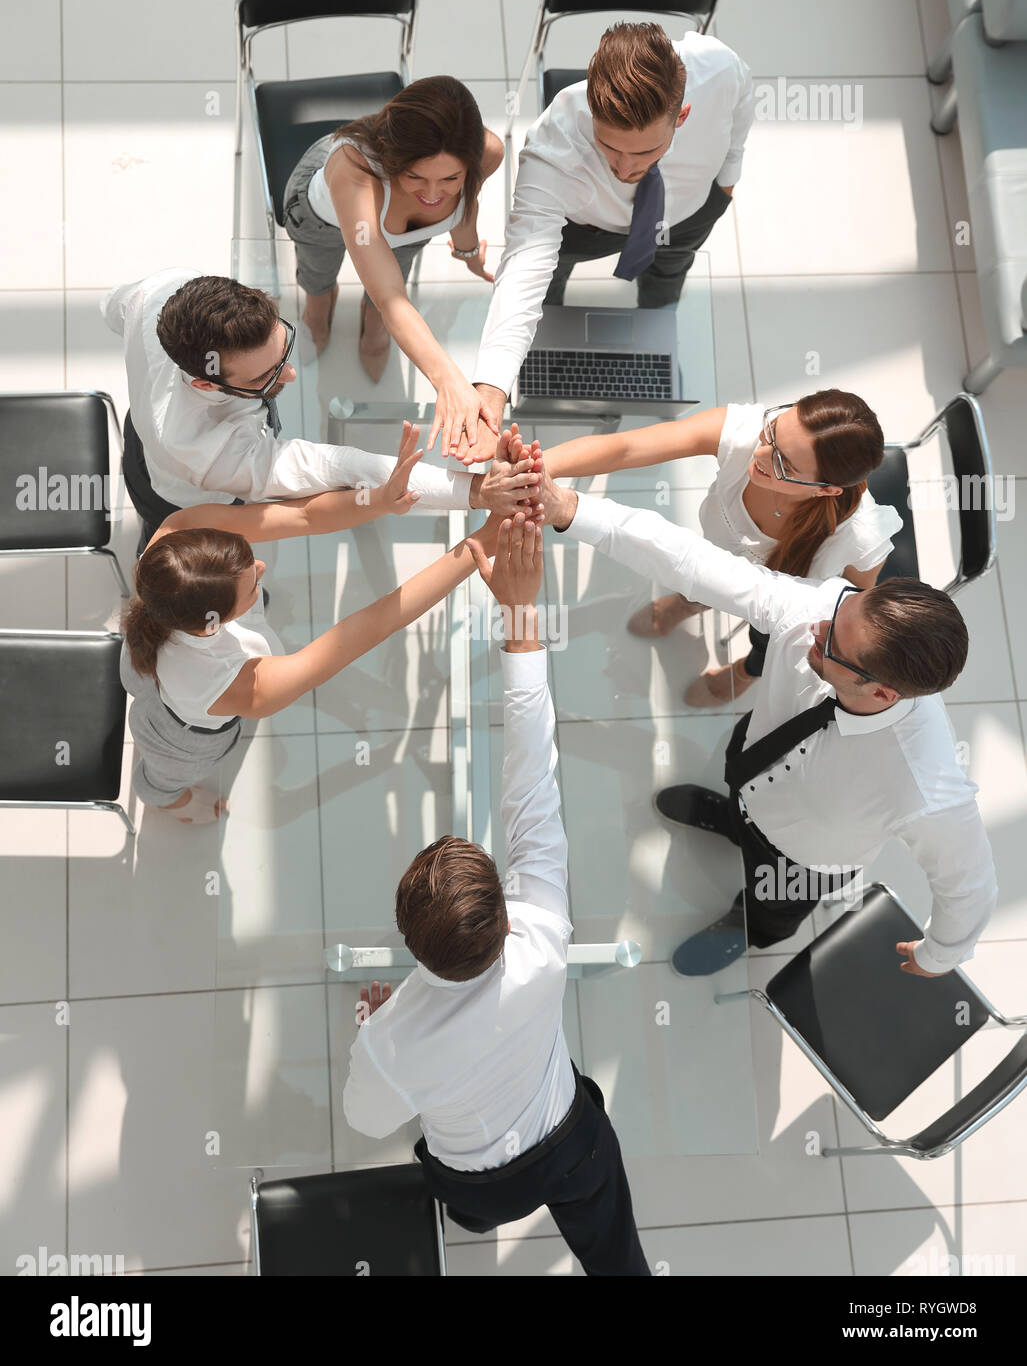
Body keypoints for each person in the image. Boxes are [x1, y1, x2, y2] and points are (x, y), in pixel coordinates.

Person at [533, 453, 998, 980]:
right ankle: (732, 819)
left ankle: (745, 926)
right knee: (741, 790)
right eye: (842, 609)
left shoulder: (926, 787)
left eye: (832, 642)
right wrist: (570, 508)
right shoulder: (825, 607)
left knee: (772, 905)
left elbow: (972, 887)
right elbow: (693, 562)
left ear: (883, 693)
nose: (814, 627)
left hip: (801, 859)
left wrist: (939, 956)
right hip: (756, 758)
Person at [342, 515, 649, 1277]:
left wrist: (374, 1021)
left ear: (408, 938)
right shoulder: (542, 942)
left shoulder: (390, 1040)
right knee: (618, 1260)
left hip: (480, 1182)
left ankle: (476, 1226)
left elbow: (364, 1118)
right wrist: (519, 613)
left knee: (474, 1213)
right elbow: (531, 778)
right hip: (573, 1144)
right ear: (505, 915)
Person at [119, 426, 529, 825]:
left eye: (248, 558)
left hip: (142, 657)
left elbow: (302, 516)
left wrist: (381, 500)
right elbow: (377, 622)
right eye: (250, 587)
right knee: (162, 776)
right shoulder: (241, 687)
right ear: (212, 626)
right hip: (178, 732)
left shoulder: (175, 539)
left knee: (136, 675)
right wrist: (482, 542)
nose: (261, 566)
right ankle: (167, 801)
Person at [459, 20, 754, 464]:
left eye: (646, 152)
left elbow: (742, 107)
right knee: (548, 284)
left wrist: (727, 181)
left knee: (669, 275)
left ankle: (658, 331)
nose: (624, 167)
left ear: (683, 115)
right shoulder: (552, 145)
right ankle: (548, 345)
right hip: (586, 227)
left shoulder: (719, 67)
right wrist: (491, 387)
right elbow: (523, 268)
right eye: (609, 146)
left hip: (687, 212)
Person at [102, 269, 506, 555]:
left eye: (284, 349)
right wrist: (475, 492)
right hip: (181, 497)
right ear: (207, 383)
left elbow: (112, 305)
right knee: (181, 553)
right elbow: (340, 466)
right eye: (269, 374)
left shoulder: (164, 290)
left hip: (142, 431)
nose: (292, 375)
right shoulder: (207, 454)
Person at [538, 390, 903, 705]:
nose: (759, 455)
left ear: (826, 489)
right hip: (714, 556)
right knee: (699, 574)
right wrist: (537, 468)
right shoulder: (747, 430)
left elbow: (842, 616)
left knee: (765, 638)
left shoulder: (859, 540)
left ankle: (744, 672)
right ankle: (689, 603)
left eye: (782, 463)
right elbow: (626, 448)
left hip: (776, 606)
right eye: (771, 434)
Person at [282, 75, 504, 452]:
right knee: (318, 276)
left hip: (409, 233)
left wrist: (468, 254)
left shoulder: (489, 152)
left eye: (451, 177)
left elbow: (467, 205)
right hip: (323, 218)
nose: (433, 195)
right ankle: (317, 313)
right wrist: (450, 380)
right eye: (414, 176)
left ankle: (374, 331)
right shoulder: (355, 168)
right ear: (392, 156)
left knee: (390, 284)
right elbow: (391, 297)